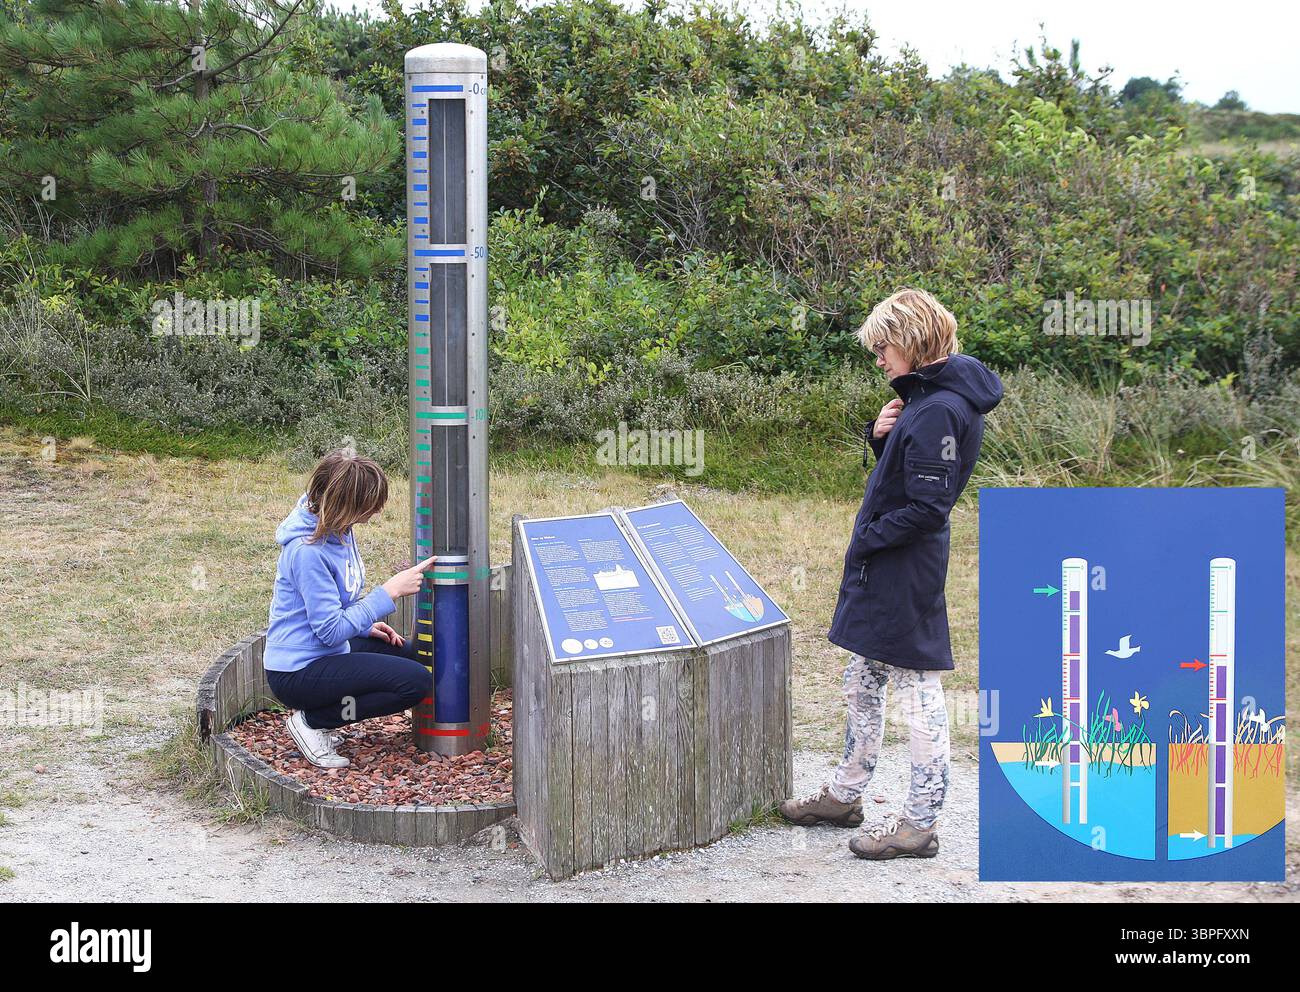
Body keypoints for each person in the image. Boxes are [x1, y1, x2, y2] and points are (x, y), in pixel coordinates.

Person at [779, 288, 1003, 859]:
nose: (879, 359)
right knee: (861, 682)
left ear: (911, 339)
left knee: (918, 695)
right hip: (887, 566)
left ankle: (919, 825)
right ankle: (845, 795)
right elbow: (908, 480)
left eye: (883, 347)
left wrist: (866, 539)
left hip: (905, 569)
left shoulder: (940, 411)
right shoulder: (926, 403)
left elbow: (930, 506)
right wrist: (880, 440)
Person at [263, 450, 435, 769]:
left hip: (325, 649)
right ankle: (314, 721)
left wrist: (363, 627)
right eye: (369, 505)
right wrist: (388, 593)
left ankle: (322, 716)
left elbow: (330, 610)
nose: (377, 511)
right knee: (414, 683)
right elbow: (328, 630)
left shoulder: (339, 528)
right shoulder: (307, 552)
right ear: (345, 504)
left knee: (411, 656)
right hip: (298, 671)